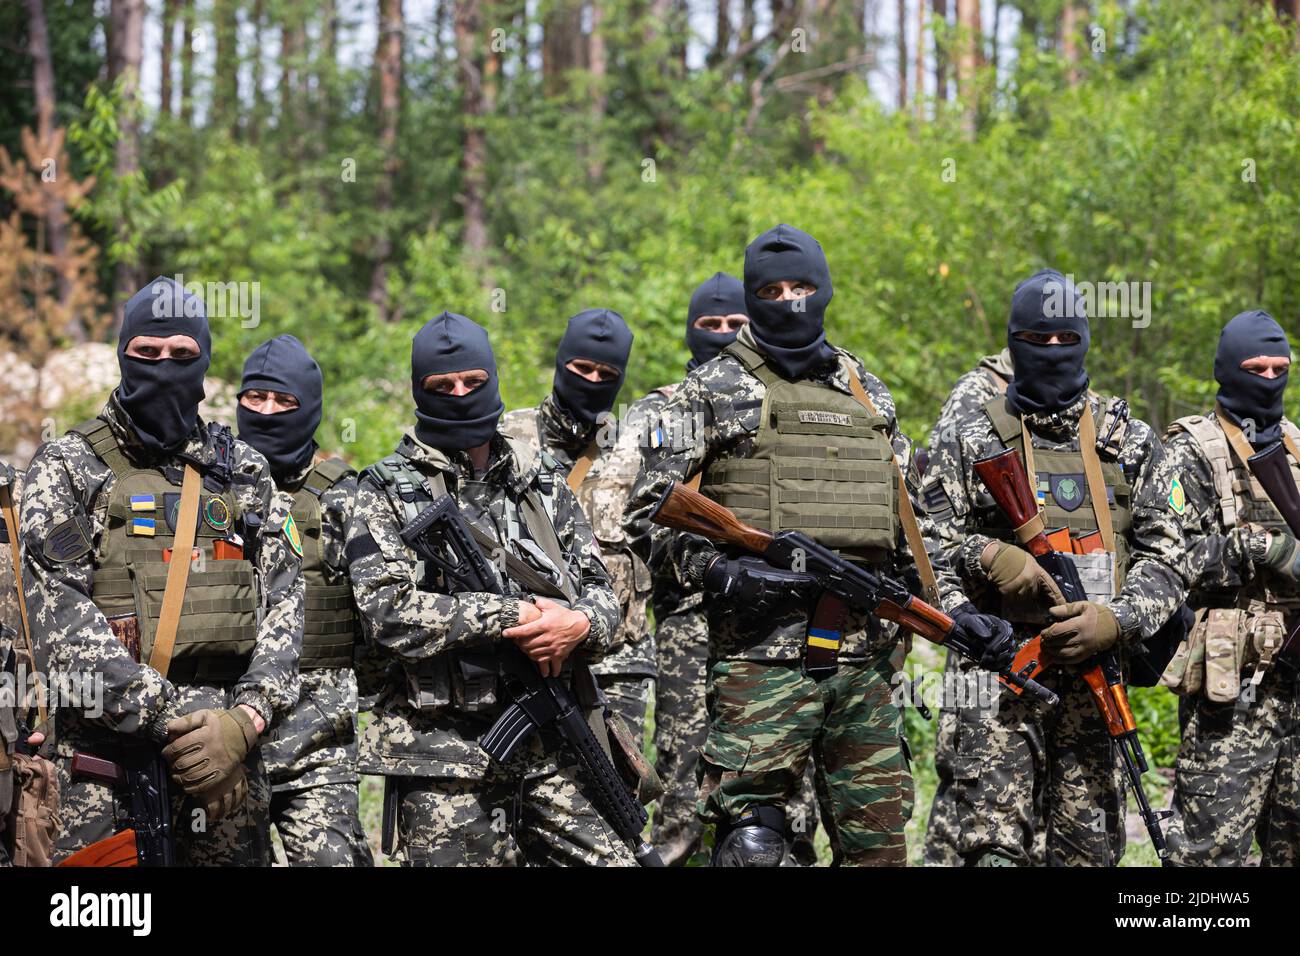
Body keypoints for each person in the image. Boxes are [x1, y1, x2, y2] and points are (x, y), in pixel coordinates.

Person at [624, 225, 1010, 866]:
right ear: (752, 299)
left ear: (823, 290)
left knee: (880, 847)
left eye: (801, 286)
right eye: (771, 290)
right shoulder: (709, 391)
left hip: (867, 665)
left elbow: (909, 526)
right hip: (760, 660)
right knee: (754, 848)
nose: (788, 300)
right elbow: (641, 513)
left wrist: (956, 610)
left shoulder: (867, 392)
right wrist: (720, 572)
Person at [20, 277, 303, 866]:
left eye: (182, 354)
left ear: (204, 362)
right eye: (147, 353)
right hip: (104, 766)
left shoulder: (243, 472)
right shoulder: (70, 467)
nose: (164, 367)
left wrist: (246, 721)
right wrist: (176, 720)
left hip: (226, 766)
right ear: (123, 354)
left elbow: (287, 601)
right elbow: (59, 620)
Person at [345, 310, 633, 866]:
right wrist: (512, 616)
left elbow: (603, 591)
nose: (460, 395)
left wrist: (579, 624)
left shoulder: (540, 479)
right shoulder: (383, 491)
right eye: (442, 386)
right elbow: (387, 613)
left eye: (473, 383)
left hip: (556, 745)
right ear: (418, 391)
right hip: (443, 759)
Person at [921, 269, 1186, 866]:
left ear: (1086, 339)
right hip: (995, 674)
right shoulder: (970, 436)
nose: (1051, 353)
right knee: (990, 850)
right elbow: (922, 545)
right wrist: (985, 555)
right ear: (1012, 345)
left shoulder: (1130, 440)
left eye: (1065, 339)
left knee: (1089, 852)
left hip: (1095, 677)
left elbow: (1171, 555)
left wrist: (1116, 620)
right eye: (1035, 341)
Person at [1160, 309, 1300, 866]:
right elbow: (1165, 563)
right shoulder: (1191, 451)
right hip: (1234, 688)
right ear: (1227, 370)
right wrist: (1257, 548)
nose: (1269, 379)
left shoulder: (1296, 446)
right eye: (1255, 367)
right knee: (1209, 857)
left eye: (1280, 368)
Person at [235, 334, 373, 866]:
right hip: (230, 741)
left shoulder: (344, 497)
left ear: (309, 408)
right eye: (255, 399)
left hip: (317, 745)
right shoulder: (209, 489)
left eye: (284, 402)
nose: (267, 413)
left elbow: (384, 614)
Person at [498, 309, 656, 743]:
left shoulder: (640, 449)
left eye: (606, 373)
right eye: (580, 368)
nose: (591, 380)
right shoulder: (505, 436)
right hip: (527, 653)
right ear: (560, 362)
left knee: (616, 795)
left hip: (617, 664)